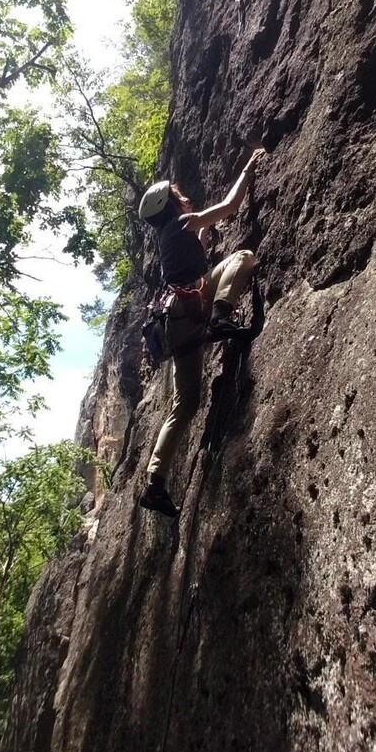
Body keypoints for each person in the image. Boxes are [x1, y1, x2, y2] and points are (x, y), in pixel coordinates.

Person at [136, 148, 266, 517]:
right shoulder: (181, 223)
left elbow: (201, 249)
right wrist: (248, 169)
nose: (184, 197)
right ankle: (222, 315)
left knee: (185, 404)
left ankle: (155, 483)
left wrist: (204, 230)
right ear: (172, 205)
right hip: (192, 308)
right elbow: (229, 205)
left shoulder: (169, 237)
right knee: (242, 258)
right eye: (178, 197)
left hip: (174, 323)